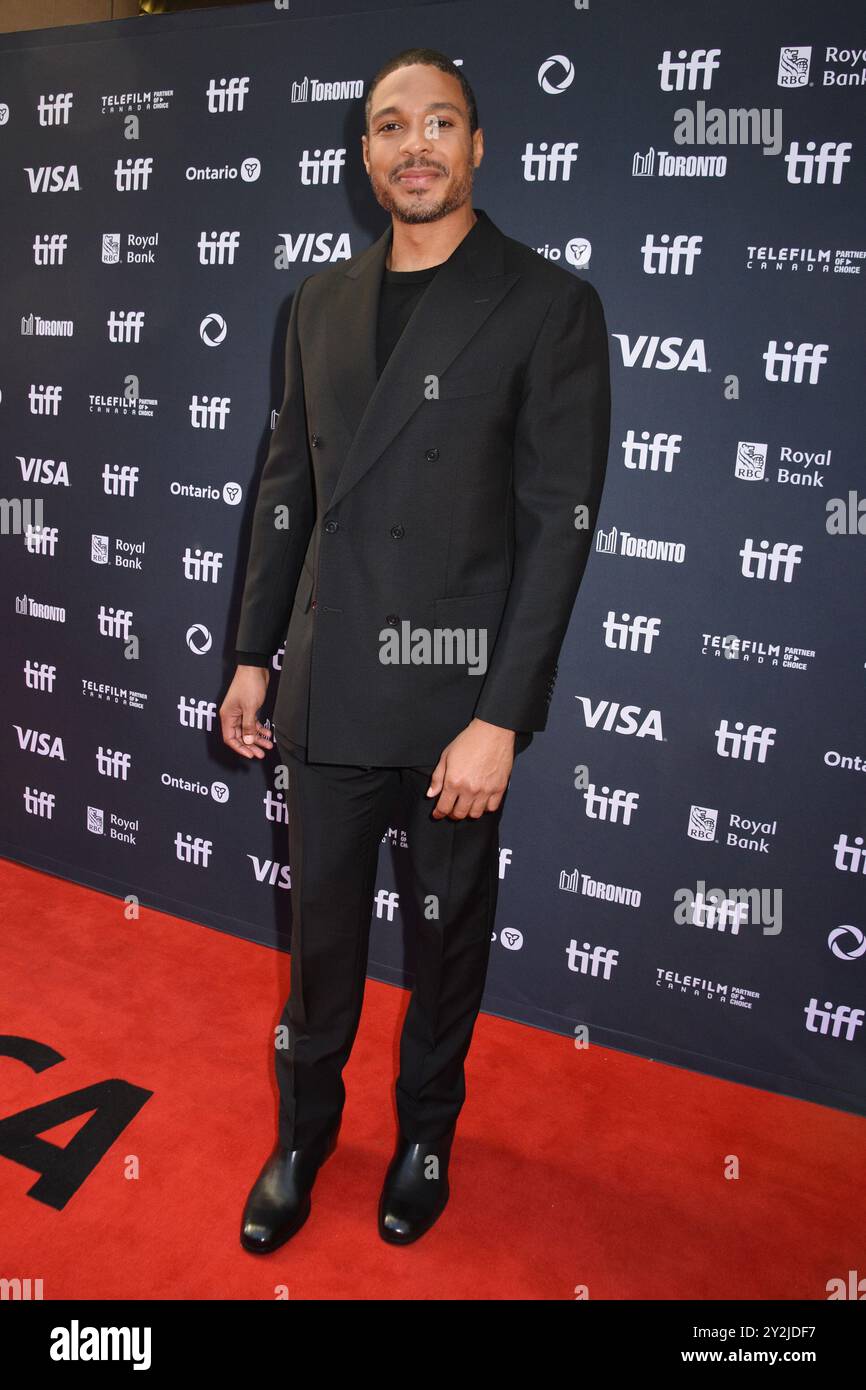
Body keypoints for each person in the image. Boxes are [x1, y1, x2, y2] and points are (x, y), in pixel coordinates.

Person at [219, 46, 611, 1253]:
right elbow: (288, 488)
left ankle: (427, 1134)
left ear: (478, 144)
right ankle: (304, 1134)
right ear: (365, 157)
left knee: (441, 948)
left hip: (453, 710)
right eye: (390, 127)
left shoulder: (546, 303)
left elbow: (557, 528)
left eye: (438, 122)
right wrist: (252, 654)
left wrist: (503, 715)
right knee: (321, 943)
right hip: (329, 690)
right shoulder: (318, 302)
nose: (414, 146)